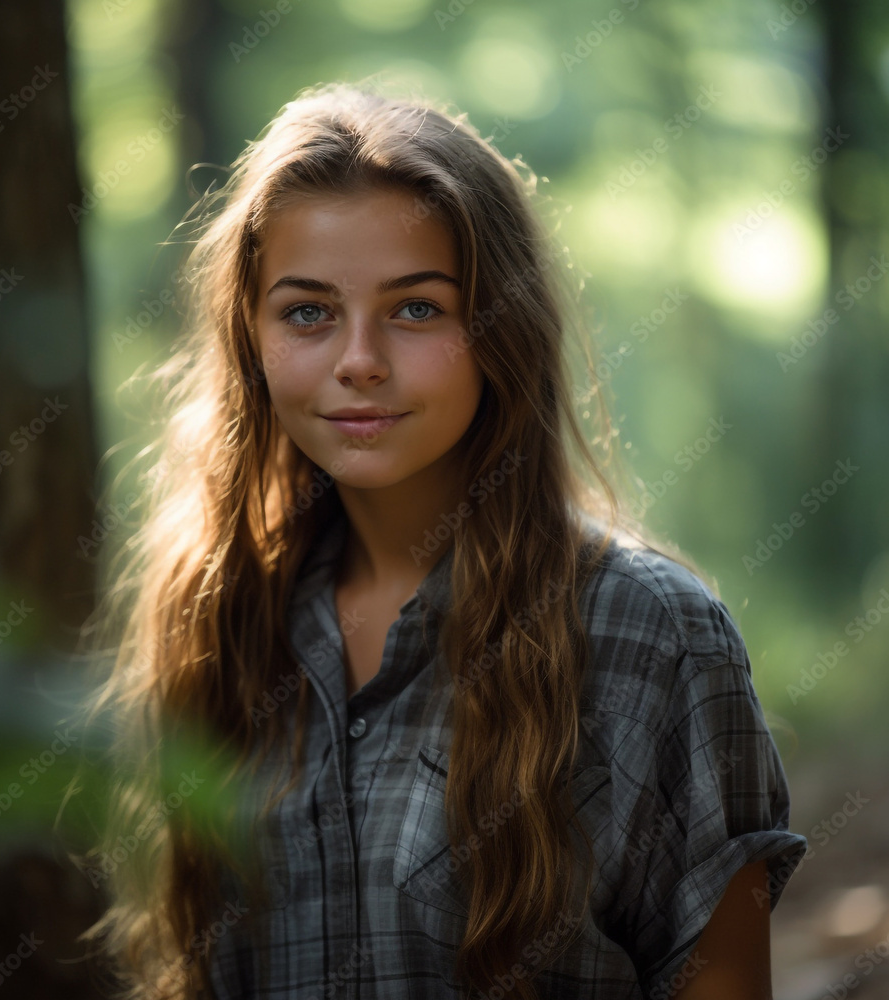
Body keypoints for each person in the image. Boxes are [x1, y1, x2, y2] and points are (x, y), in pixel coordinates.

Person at [68, 80, 808, 1000]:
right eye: (307, 312)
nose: (359, 361)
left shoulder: (651, 632)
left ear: (501, 329)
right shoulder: (218, 616)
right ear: (250, 337)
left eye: (416, 308)